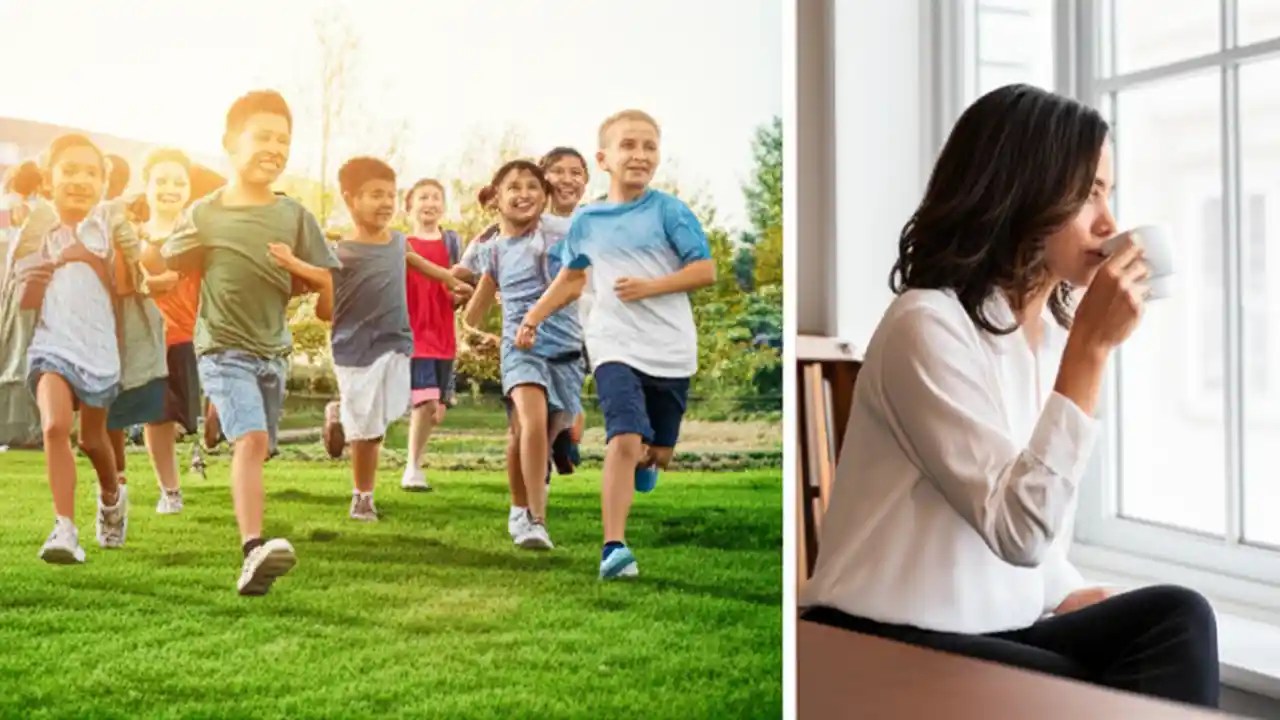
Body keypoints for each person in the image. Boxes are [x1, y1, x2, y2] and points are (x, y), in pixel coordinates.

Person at [798, 84, 1219, 709]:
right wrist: (1091, 353)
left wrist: (1066, 589)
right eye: (1087, 195)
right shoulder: (926, 326)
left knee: (1175, 619)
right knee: (1100, 685)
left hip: (994, 629)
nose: (1108, 222)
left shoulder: (1047, 339)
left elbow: (1037, 543)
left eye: (1109, 193)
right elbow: (1015, 528)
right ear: (1020, 190)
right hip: (878, 635)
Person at [518, 110, 716, 579]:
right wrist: (532, 317)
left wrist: (650, 286)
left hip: (670, 349)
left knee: (657, 451)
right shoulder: (587, 221)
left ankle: (649, 459)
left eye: (649, 146)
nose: (640, 155)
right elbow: (572, 278)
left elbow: (705, 271)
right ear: (604, 158)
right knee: (623, 435)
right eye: (629, 145)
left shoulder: (670, 212)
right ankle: (614, 548)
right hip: (613, 344)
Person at [162, 89, 339, 596]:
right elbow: (170, 265)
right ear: (229, 143)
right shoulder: (205, 213)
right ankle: (252, 549)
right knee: (254, 441)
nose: (274, 147)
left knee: (257, 446)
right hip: (220, 346)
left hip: (273, 353)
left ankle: (217, 414)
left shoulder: (295, 217)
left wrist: (303, 271)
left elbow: (329, 296)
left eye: (283, 139)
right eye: (262, 136)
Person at [13, 134, 139, 562]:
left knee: (91, 440)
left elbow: (133, 277)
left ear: (105, 182)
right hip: (50, 344)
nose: (80, 180)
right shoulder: (37, 230)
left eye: (91, 172)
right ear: (49, 180)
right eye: (69, 171)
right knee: (53, 427)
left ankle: (111, 496)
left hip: (100, 351)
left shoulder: (108, 227)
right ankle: (64, 529)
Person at [465, 159, 585, 551]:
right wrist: (473, 334)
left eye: (533, 186)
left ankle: (521, 505)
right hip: (520, 349)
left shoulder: (562, 235)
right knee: (530, 422)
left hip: (566, 352)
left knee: (532, 436)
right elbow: (473, 312)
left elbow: (575, 283)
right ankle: (535, 519)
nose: (524, 193)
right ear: (496, 198)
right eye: (513, 187)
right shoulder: (494, 251)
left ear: (545, 197)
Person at [314, 157, 431, 519]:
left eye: (391, 195)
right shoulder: (339, 253)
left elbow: (415, 263)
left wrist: (448, 279)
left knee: (379, 419)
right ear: (351, 200)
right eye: (375, 194)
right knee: (365, 425)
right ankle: (362, 496)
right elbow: (323, 310)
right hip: (353, 348)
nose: (386, 203)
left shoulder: (398, 242)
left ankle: (341, 412)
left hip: (395, 341)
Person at [131, 148, 206, 513]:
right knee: (157, 416)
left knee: (182, 419)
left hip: (187, 338)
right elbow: (127, 283)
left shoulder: (197, 234)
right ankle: (170, 492)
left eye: (179, 181)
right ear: (146, 187)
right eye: (161, 181)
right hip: (145, 340)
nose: (170, 188)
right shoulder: (133, 236)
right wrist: (150, 283)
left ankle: (203, 434)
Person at [397, 177, 471, 491]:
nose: (430, 203)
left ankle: (415, 463)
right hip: (411, 333)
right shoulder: (399, 243)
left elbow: (461, 285)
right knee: (425, 402)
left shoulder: (452, 242)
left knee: (434, 409)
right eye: (423, 197)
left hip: (443, 332)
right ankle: (412, 468)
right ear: (409, 205)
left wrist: (461, 296)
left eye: (436, 198)